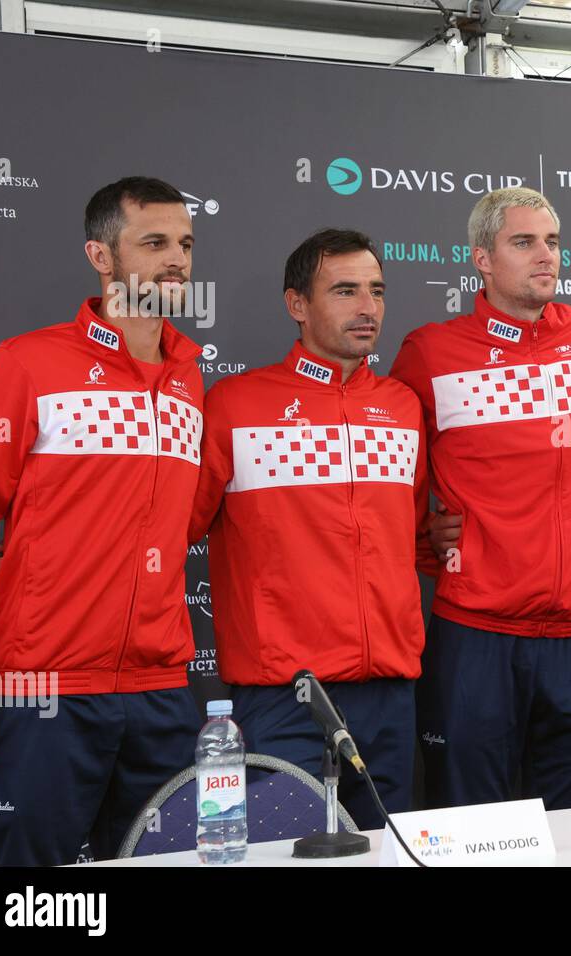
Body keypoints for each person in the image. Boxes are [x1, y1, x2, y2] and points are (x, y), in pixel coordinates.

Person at [0, 176, 204, 865]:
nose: (176, 259)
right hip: (43, 689)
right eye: (153, 243)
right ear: (101, 255)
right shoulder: (29, 362)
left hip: (161, 694)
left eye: (184, 243)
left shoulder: (189, 376)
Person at [390, 187, 571, 810]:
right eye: (523, 243)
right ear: (482, 259)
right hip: (478, 631)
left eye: (551, 242)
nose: (544, 256)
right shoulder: (431, 351)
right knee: (472, 830)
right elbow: (385, 456)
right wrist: (424, 535)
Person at [188, 229, 426, 825]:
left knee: (381, 863)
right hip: (283, 697)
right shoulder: (235, 404)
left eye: (376, 290)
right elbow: (173, 528)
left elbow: (418, 529)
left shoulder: (403, 405)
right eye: (344, 290)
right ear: (297, 305)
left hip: (390, 694)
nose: (367, 307)